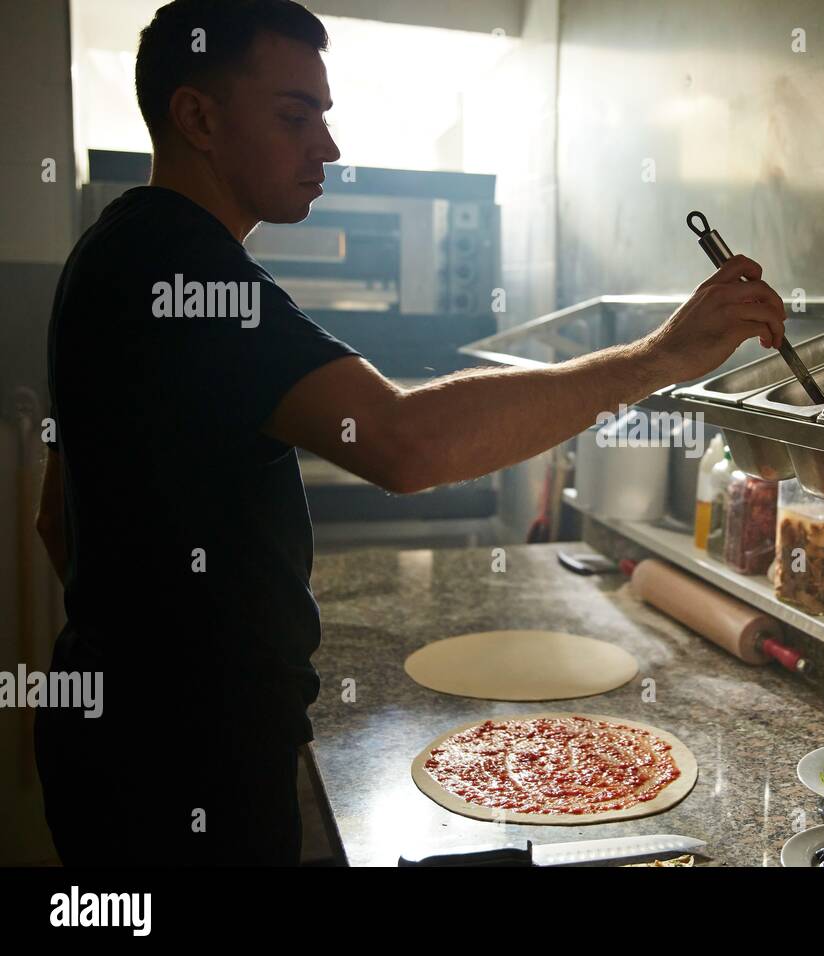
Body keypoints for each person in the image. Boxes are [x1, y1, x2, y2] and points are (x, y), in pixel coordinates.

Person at [34, 0, 786, 865]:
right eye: (295, 115)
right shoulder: (183, 267)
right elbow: (402, 441)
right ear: (198, 116)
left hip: (126, 741)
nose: (329, 147)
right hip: (181, 768)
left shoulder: (110, 252)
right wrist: (657, 358)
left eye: (324, 114)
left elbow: (60, 521)